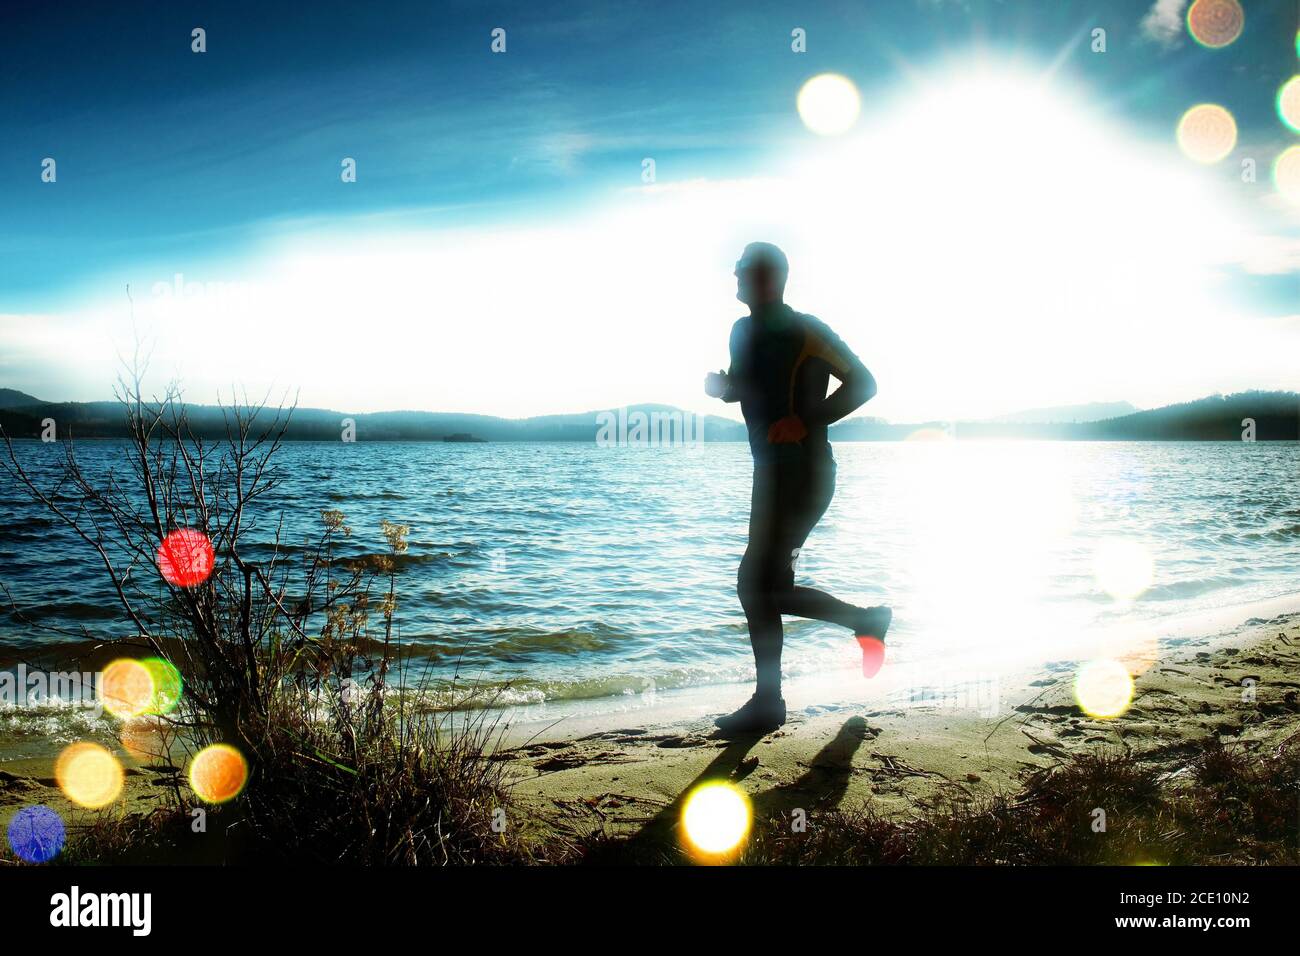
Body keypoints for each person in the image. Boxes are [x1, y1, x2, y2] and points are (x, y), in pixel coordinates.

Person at [704, 241, 891, 735]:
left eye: (743, 269)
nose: (735, 276)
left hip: (806, 473)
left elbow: (864, 383)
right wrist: (724, 388)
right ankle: (864, 623)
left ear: (770, 277)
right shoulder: (741, 331)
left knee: (755, 584)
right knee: (768, 588)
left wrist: (805, 420)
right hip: (769, 474)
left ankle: (770, 702)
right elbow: (746, 386)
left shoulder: (807, 330)